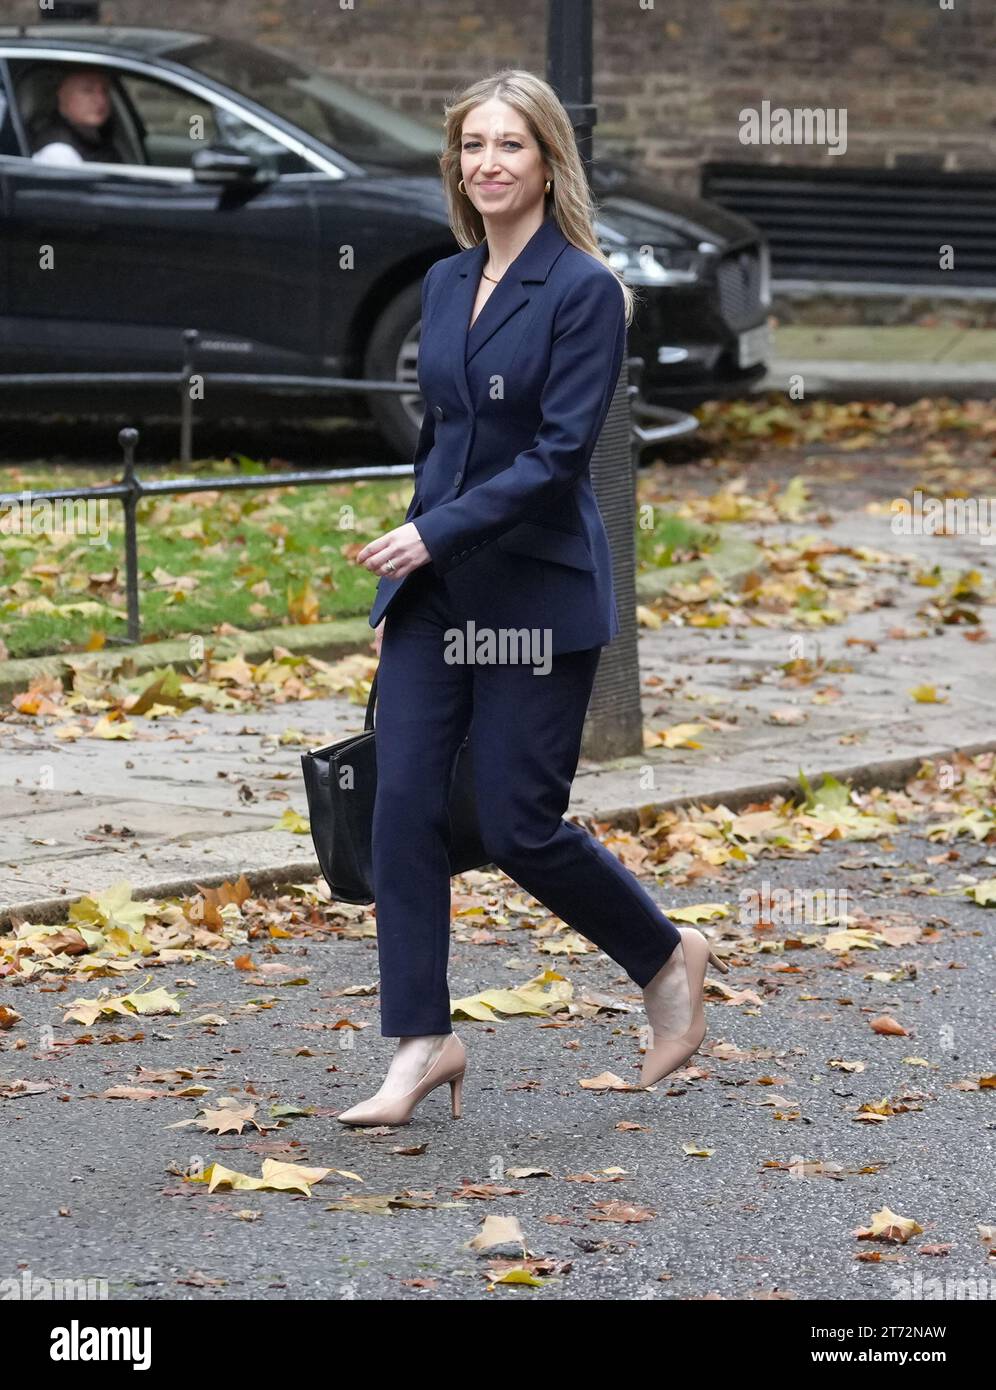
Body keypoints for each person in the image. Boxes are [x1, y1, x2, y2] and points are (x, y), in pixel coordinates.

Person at [342, 69, 728, 1127]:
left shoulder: (585, 290)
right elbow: (445, 438)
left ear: (550, 161)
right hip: (434, 594)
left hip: (534, 596)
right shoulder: (441, 281)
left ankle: (666, 953)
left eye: (511, 145)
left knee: (518, 824)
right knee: (403, 808)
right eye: (473, 146)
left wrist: (434, 530)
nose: (488, 164)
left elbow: (559, 457)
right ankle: (422, 1038)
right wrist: (414, 540)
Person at [30, 68, 124, 166]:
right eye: (88, 90)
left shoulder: (102, 135)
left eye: (105, 90)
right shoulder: (58, 153)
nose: (101, 99)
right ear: (62, 94)